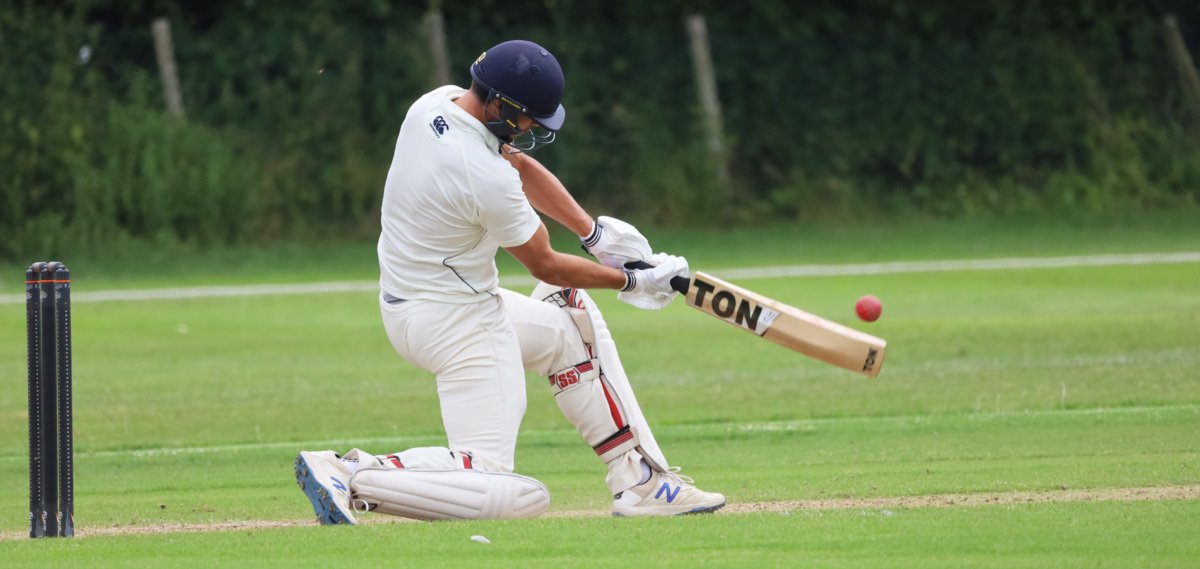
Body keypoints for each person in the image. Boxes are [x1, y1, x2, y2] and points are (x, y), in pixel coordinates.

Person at [294, 39, 724, 523]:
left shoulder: (435, 104)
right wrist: (631, 281)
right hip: (459, 324)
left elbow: (516, 163)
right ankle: (353, 470)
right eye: (525, 119)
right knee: (497, 483)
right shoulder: (479, 175)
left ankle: (640, 482)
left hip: (419, 307)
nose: (528, 130)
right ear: (499, 104)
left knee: (570, 325)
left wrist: (594, 234)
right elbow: (544, 264)